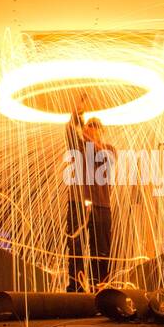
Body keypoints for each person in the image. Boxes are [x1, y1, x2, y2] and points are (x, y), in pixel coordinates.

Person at [63, 105, 115, 291]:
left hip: (101, 206)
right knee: (75, 247)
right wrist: (75, 115)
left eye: (95, 127)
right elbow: (69, 130)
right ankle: (75, 286)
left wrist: (86, 135)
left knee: (101, 251)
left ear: (101, 132)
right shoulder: (76, 146)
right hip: (77, 203)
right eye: (89, 126)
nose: (91, 129)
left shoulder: (109, 150)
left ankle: (100, 287)